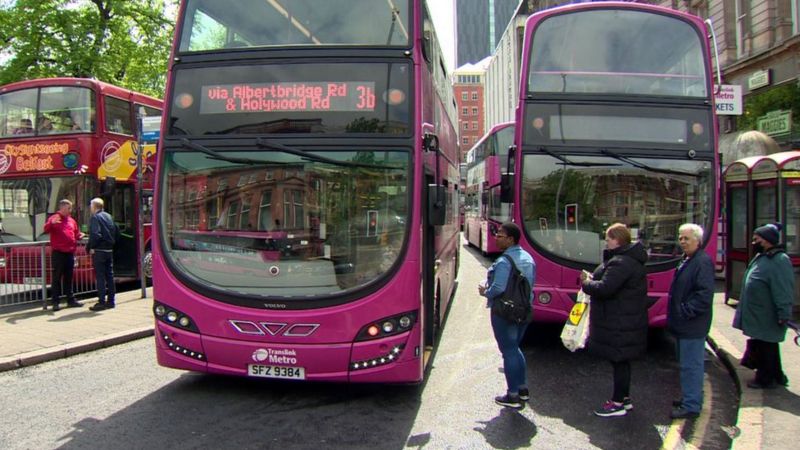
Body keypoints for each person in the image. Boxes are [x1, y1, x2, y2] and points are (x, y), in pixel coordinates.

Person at [580, 223, 648, 417]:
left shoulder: (621, 262)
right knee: (622, 361)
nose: (606, 242)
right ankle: (624, 399)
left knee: (619, 361)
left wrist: (586, 283)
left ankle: (617, 403)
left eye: (608, 238)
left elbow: (605, 288)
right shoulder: (628, 260)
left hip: (619, 321)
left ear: (617, 240)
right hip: (625, 319)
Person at [478, 222, 536, 409]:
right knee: (515, 348)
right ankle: (523, 389)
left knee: (508, 351)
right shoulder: (528, 258)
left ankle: (513, 395)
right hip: (524, 310)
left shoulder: (504, 262)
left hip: (505, 312)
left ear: (511, 239)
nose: (496, 238)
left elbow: (498, 288)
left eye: (500, 236)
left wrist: (485, 291)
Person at [733, 223, 794, 389]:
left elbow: (783, 290)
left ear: (767, 240)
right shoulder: (764, 257)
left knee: (766, 346)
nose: (753, 242)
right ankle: (777, 375)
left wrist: (784, 313)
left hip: (767, 314)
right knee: (767, 344)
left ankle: (765, 379)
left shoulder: (779, 260)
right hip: (759, 313)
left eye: (756, 239)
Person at [667, 223, 714, 419]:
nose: (682, 241)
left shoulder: (702, 262)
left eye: (686, 238)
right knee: (686, 365)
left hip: (692, 324)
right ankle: (690, 398)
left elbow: (704, 294)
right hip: (684, 324)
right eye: (680, 238)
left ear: (698, 240)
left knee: (691, 366)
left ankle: (691, 405)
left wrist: (686, 311)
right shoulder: (688, 259)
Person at [43, 199, 85, 311]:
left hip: (69, 253)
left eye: (70, 208)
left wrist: (80, 235)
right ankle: (55, 302)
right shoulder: (54, 218)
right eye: (68, 208)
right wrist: (51, 224)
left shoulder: (71, 220)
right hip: (59, 253)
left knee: (69, 277)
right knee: (56, 278)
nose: (70, 210)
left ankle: (70, 300)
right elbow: (46, 229)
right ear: (62, 208)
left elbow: (75, 233)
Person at [86, 198, 119, 311]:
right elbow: (117, 231)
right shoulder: (109, 216)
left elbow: (95, 234)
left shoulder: (95, 217)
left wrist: (91, 247)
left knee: (100, 276)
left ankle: (101, 302)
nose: (90, 208)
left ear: (94, 206)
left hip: (99, 250)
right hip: (109, 250)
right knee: (110, 275)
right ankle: (111, 301)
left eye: (91, 206)